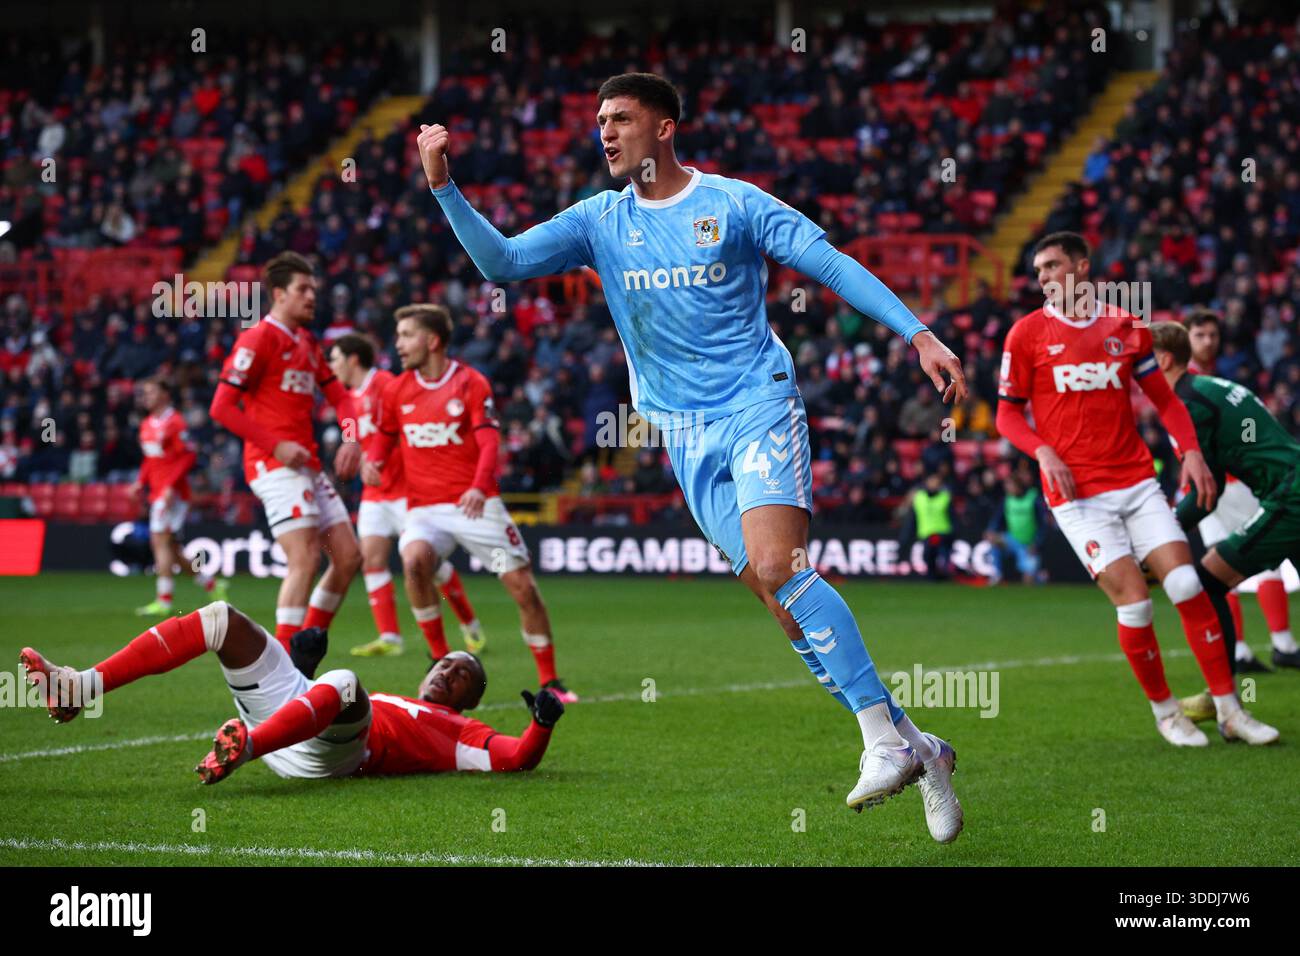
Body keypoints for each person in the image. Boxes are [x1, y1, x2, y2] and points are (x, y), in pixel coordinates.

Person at [418, 72, 967, 840]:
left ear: (666, 126)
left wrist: (918, 333)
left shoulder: (734, 204)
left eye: (621, 119)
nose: (604, 133)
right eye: (598, 120)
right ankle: (921, 748)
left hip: (756, 403)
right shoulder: (598, 221)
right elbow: (502, 263)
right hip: (681, 434)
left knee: (781, 567)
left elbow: (830, 263)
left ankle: (879, 740)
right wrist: (446, 189)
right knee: (783, 610)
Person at [995, 231, 1275, 747]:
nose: (1043, 279)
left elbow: (1165, 400)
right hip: (1077, 496)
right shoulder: (1025, 335)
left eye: (1052, 266)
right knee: (1136, 605)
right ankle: (1167, 712)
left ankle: (1230, 710)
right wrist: (1043, 450)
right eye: (1038, 272)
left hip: (1136, 480)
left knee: (1189, 586)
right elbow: (1006, 414)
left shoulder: (1125, 326)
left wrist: (1190, 450)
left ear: (1081, 267)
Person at [18, 601, 564, 781]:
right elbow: (323, 694)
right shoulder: (407, 696)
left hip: (334, 756)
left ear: (468, 700)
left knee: (347, 683)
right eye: (444, 662)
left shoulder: (459, 729)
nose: (445, 671)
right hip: (302, 721)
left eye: (460, 674)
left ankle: (244, 747)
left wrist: (540, 723)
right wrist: (302, 667)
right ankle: (78, 686)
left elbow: (514, 759)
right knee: (220, 619)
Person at [362, 305, 577, 703]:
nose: (399, 343)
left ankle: (550, 680)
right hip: (425, 509)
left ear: (433, 340)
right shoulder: (396, 389)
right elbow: (385, 434)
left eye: (407, 334)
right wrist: (373, 459)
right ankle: (439, 658)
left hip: (474, 506)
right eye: (398, 335)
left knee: (523, 589)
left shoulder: (470, 383)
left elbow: (489, 440)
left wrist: (479, 487)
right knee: (413, 563)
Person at [209, 252, 363, 648]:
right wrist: (275, 444)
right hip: (271, 464)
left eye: (314, 288)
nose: (312, 296)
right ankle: (287, 666)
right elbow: (221, 407)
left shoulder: (309, 343)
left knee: (347, 557)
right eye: (303, 289)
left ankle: (306, 647)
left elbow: (343, 400)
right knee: (306, 558)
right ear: (279, 294)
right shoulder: (258, 337)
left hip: (307, 464)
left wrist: (349, 437)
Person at [1150, 320, 1298, 704]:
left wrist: (1159, 538)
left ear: (1163, 360)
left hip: (1290, 496)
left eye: (1141, 360)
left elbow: (1203, 490)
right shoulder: (1211, 388)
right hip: (1289, 485)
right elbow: (1208, 489)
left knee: (1210, 581)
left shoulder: (1185, 403)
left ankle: (1224, 694)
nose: (1133, 370)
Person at [325, 333, 485, 658]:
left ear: (353, 359)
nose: (331, 365)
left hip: (407, 489)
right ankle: (390, 637)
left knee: (430, 565)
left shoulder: (385, 382)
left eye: (336, 358)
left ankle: (470, 624)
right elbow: (353, 439)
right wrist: (351, 454)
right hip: (374, 492)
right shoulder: (344, 401)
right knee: (371, 558)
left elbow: (411, 419)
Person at [1182, 308, 1291, 672]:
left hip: (1214, 484)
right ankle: (1281, 644)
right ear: (1185, 340)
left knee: (1220, 563)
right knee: (1261, 561)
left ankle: (1239, 652)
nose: (1208, 341)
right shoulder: (1194, 385)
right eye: (1200, 335)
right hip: (1229, 483)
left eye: (1212, 334)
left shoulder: (1213, 379)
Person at [132, 377, 229, 614]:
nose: (147, 396)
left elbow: (188, 457)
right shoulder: (146, 424)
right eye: (145, 393)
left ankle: (164, 600)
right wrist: (140, 481)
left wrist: (169, 486)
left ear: (165, 394)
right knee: (171, 548)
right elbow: (150, 458)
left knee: (159, 541)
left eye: (152, 391)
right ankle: (211, 583)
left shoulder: (175, 422)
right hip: (158, 490)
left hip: (172, 493)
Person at [985, 474, 1047, 585]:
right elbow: (997, 518)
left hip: (1029, 544)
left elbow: (1043, 524)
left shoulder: (1033, 498)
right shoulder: (1007, 499)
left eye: (1010, 486)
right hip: (1012, 539)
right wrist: (991, 530)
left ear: (1019, 486)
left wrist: (1036, 543)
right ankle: (997, 575)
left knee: (1029, 581)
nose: (1007, 489)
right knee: (994, 541)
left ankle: (1039, 576)